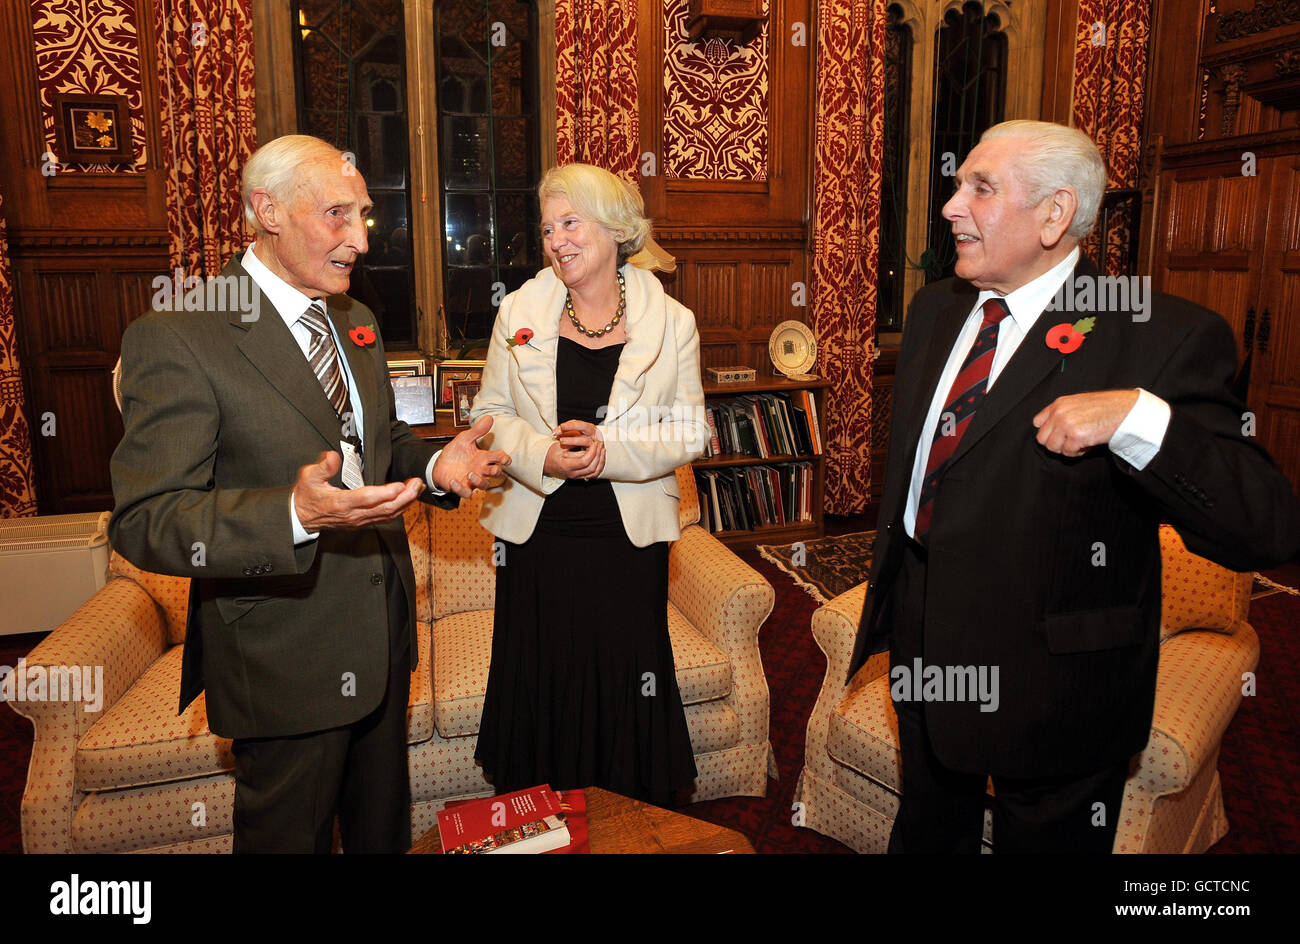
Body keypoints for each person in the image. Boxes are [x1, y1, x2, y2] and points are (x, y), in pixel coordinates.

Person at [847, 120, 1300, 853]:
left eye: (980, 188)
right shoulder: (937, 310)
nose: (951, 207)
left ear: (1055, 215)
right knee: (930, 832)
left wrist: (1140, 420)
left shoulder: (1159, 336)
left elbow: (1268, 526)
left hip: (1055, 685)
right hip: (925, 643)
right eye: (959, 186)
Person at [108, 134, 510, 853]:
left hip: (383, 640)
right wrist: (291, 514)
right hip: (282, 657)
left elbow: (380, 444)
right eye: (336, 215)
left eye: (362, 216)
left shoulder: (356, 322)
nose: (358, 238)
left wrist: (435, 470)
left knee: (378, 834)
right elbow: (147, 521)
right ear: (266, 210)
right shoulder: (178, 337)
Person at [470, 163, 710, 804]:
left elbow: (690, 432)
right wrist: (544, 455)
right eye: (548, 229)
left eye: (570, 223)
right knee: (542, 677)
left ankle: (624, 819)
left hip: (626, 542)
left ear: (615, 229)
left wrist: (609, 452)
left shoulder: (672, 322)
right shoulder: (518, 310)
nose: (556, 241)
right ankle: (547, 820)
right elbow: (488, 417)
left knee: (626, 681)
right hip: (537, 534)